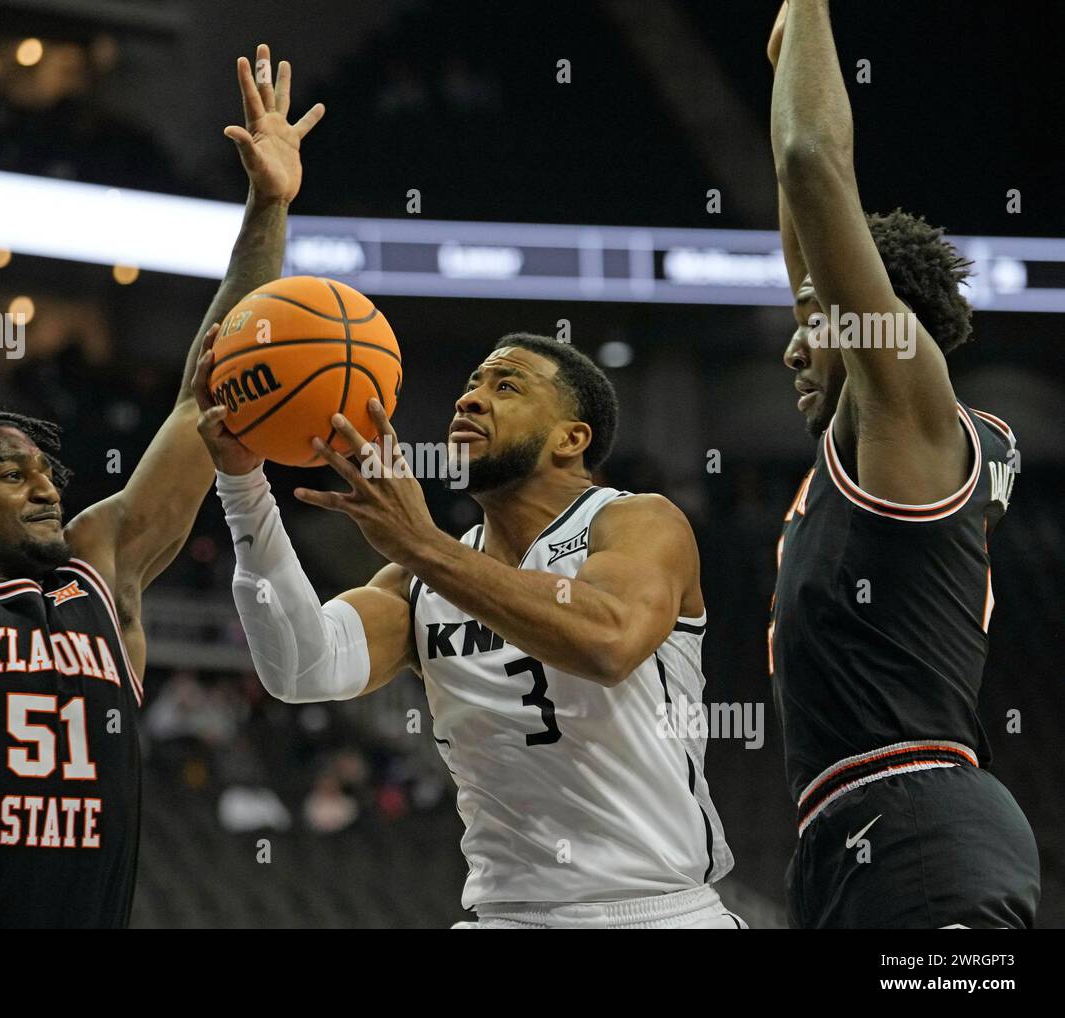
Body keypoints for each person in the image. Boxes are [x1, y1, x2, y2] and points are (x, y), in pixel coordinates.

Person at [0, 43, 322, 927]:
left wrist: (268, 205)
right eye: (10, 472)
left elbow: (208, 395)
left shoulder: (99, 577)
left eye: (46, 473)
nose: (44, 489)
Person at [193, 328, 742, 929]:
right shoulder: (422, 579)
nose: (469, 399)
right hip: (505, 914)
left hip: (659, 913)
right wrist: (243, 485)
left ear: (571, 438)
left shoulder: (635, 521)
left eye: (505, 385)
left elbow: (608, 643)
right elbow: (301, 668)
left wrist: (425, 546)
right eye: (471, 384)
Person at [766, 2, 1039, 928]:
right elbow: (801, 204)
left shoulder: (912, 415)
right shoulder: (877, 441)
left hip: (920, 826)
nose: (795, 350)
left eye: (814, 325)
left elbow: (814, 167)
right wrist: (784, 65)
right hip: (851, 835)